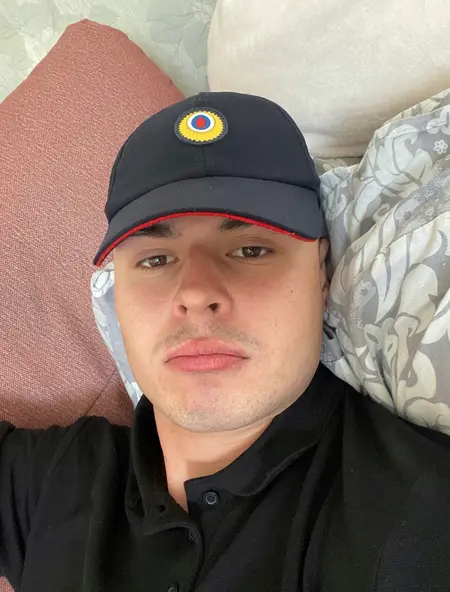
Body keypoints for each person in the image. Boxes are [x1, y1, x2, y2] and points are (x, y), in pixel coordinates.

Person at [1, 92, 450, 592]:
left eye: (251, 249)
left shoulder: (418, 515)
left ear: (321, 273)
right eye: (155, 259)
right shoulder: (53, 483)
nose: (195, 293)